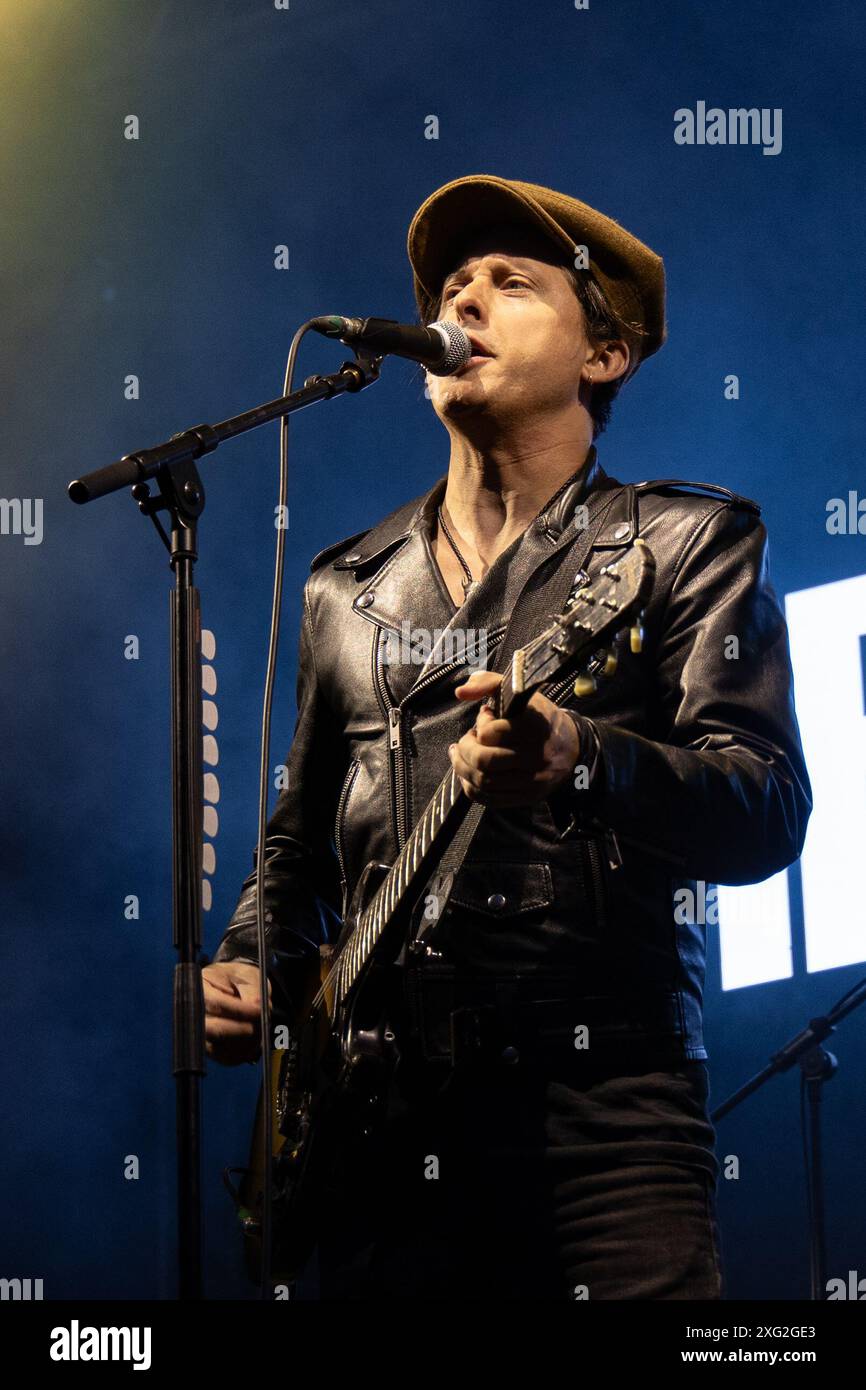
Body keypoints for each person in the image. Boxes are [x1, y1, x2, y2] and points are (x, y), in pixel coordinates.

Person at [202, 175, 812, 1299]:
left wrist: (582, 756)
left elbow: (765, 804)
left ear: (604, 354)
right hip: (371, 1129)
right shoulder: (345, 586)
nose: (464, 300)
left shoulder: (686, 542)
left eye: (510, 282)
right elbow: (296, 850)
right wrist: (247, 961)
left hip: (601, 1111)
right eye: (451, 285)